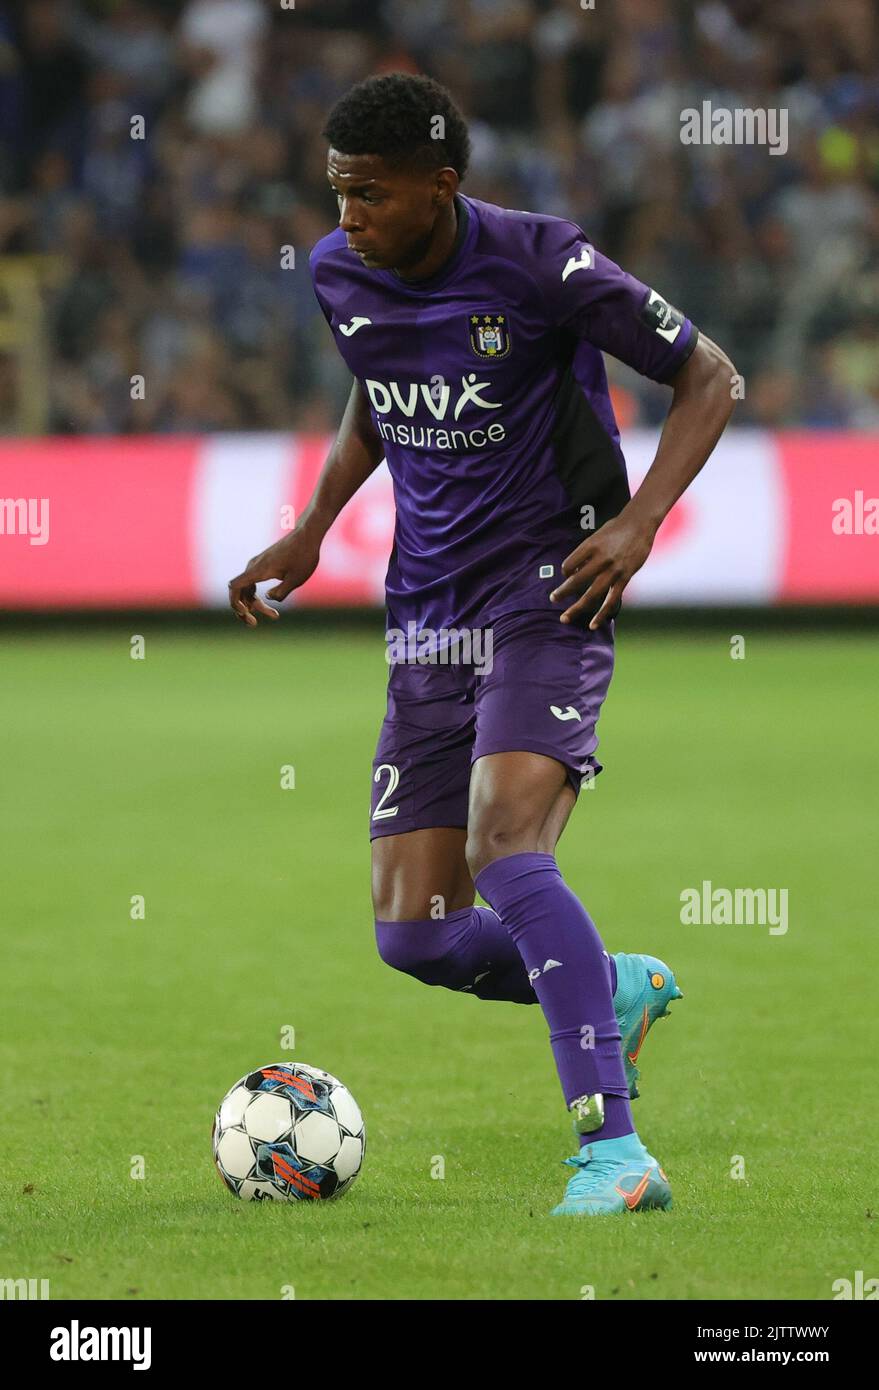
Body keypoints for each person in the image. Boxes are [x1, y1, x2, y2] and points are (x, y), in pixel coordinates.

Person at [228, 73, 737, 1216]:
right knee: (416, 935)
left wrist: (639, 522)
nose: (347, 215)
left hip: (550, 588)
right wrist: (312, 526)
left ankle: (616, 1153)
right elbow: (378, 390)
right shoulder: (337, 271)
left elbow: (709, 373)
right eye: (338, 191)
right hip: (427, 615)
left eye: (370, 193)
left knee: (505, 841)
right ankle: (610, 984)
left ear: (441, 186)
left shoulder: (542, 261)